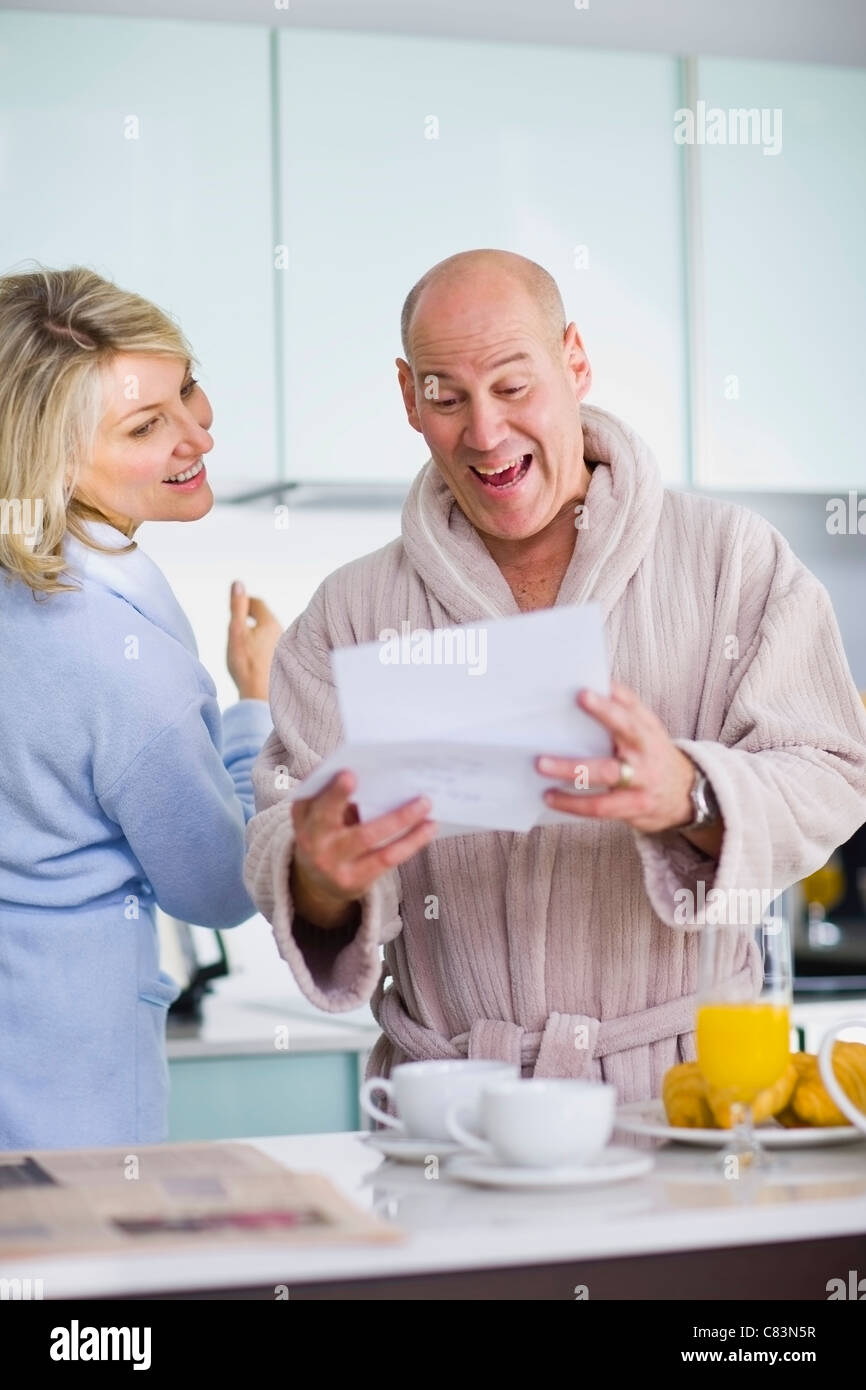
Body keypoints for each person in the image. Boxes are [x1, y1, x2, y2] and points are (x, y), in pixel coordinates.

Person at [244, 249, 866, 1102]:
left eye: (512, 386)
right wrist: (318, 876)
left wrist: (689, 792)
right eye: (447, 397)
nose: (485, 432)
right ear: (408, 396)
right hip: (450, 1109)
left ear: (574, 360)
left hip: (682, 1096)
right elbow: (282, 823)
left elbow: (834, 770)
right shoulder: (348, 615)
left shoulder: (733, 559)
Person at [0, 265, 281, 1148]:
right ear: (47, 458)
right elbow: (221, 887)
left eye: (187, 389)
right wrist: (256, 706)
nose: (199, 433)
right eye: (145, 425)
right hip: (65, 1111)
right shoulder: (124, 665)